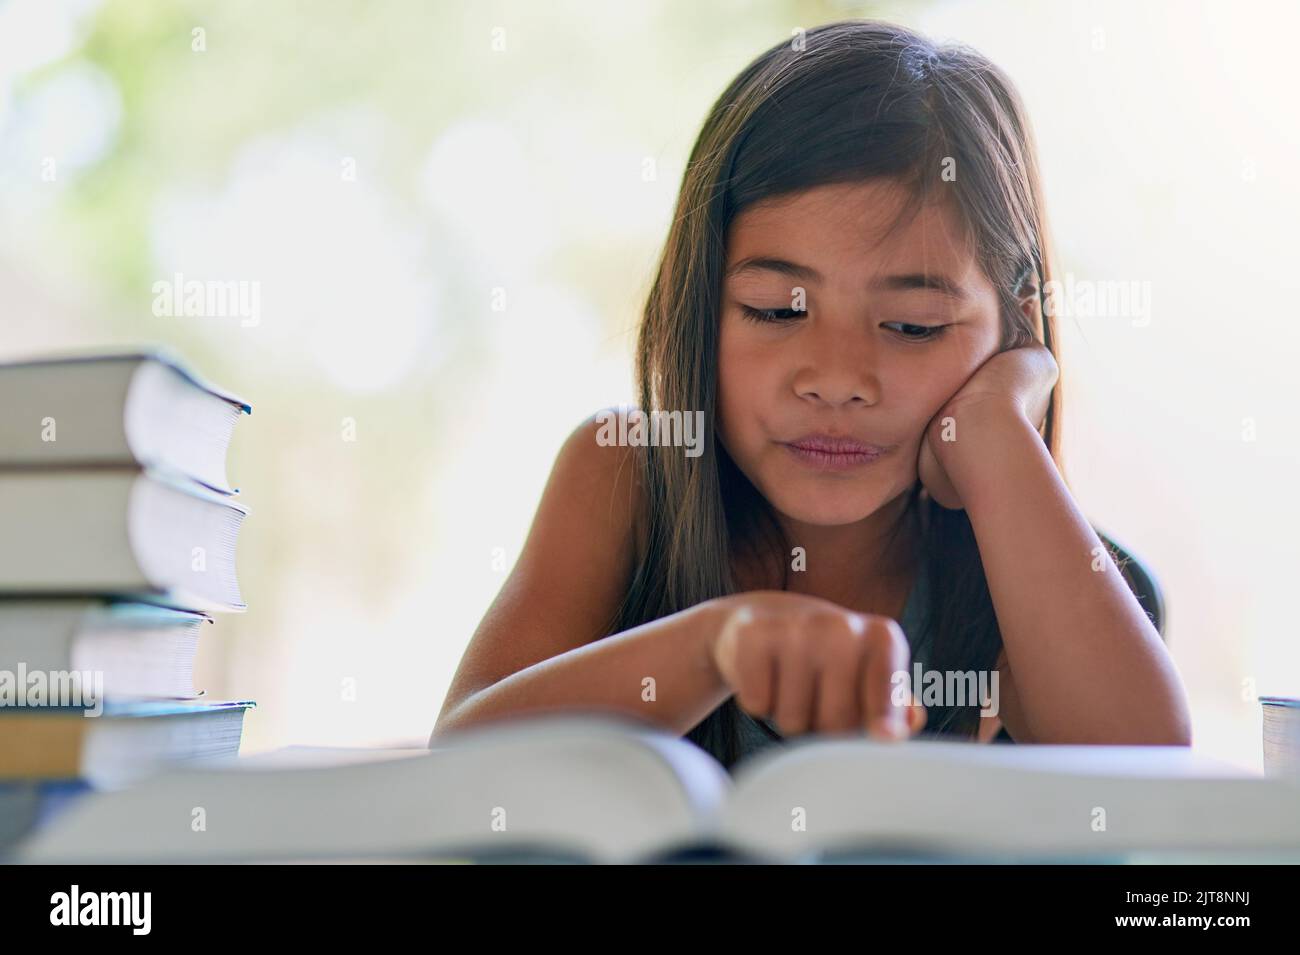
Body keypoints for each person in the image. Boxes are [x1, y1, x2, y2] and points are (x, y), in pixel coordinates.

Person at [433, 19, 1191, 771]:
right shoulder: (627, 475)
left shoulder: (1028, 563)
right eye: (776, 310)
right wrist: (718, 642)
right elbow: (462, 764)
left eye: (912, 325)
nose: (836, 378)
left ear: (1015, 325)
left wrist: (993, 428)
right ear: (699, 303)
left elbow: (1143, 773)